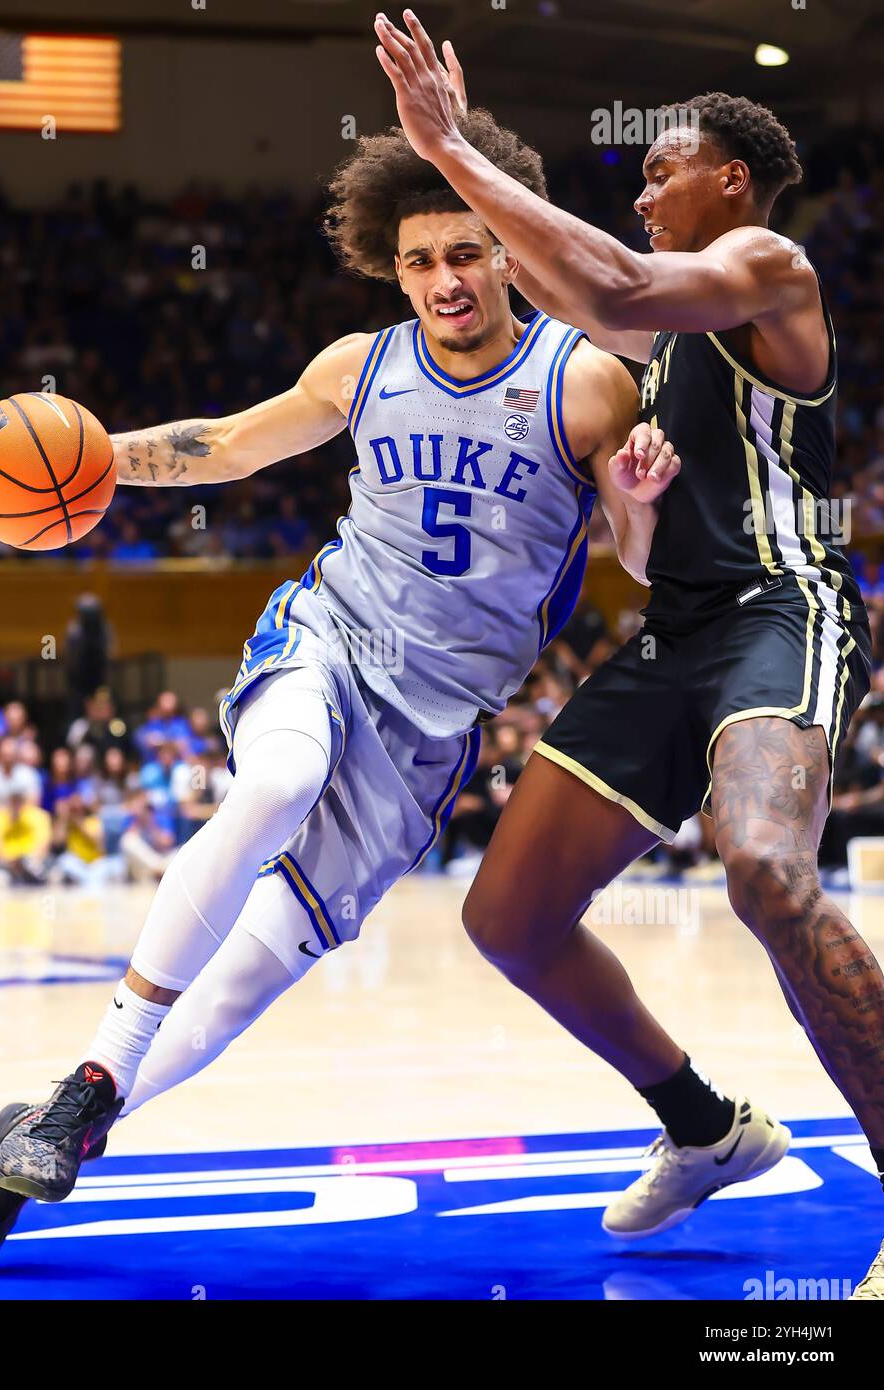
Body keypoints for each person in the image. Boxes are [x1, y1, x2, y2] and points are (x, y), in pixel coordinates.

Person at [0, 107, 684, 1271]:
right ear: (394, 266)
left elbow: (637, 562)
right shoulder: (360, 365)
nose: (443, 278)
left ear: (507, 247)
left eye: (465, 251)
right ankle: (93, 1075)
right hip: (330, 638)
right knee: (275, 780)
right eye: (418, 260)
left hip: (431, 728)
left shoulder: (586, 382)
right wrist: (87, 459)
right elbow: (231, 444)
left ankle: (44, 1134)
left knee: (241, 983)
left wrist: (635, 501)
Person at [373, 10, 882, 1297]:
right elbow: (638, 549)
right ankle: (705, 1126)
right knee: (508, 915)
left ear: (732, 180)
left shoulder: (768, 265)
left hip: (781, 609)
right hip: (678, 630)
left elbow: (600, 286)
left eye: (663, 172)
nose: (643, 192)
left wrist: (448, 150)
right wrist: (634, 504)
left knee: (764, 867)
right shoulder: (653, 359)